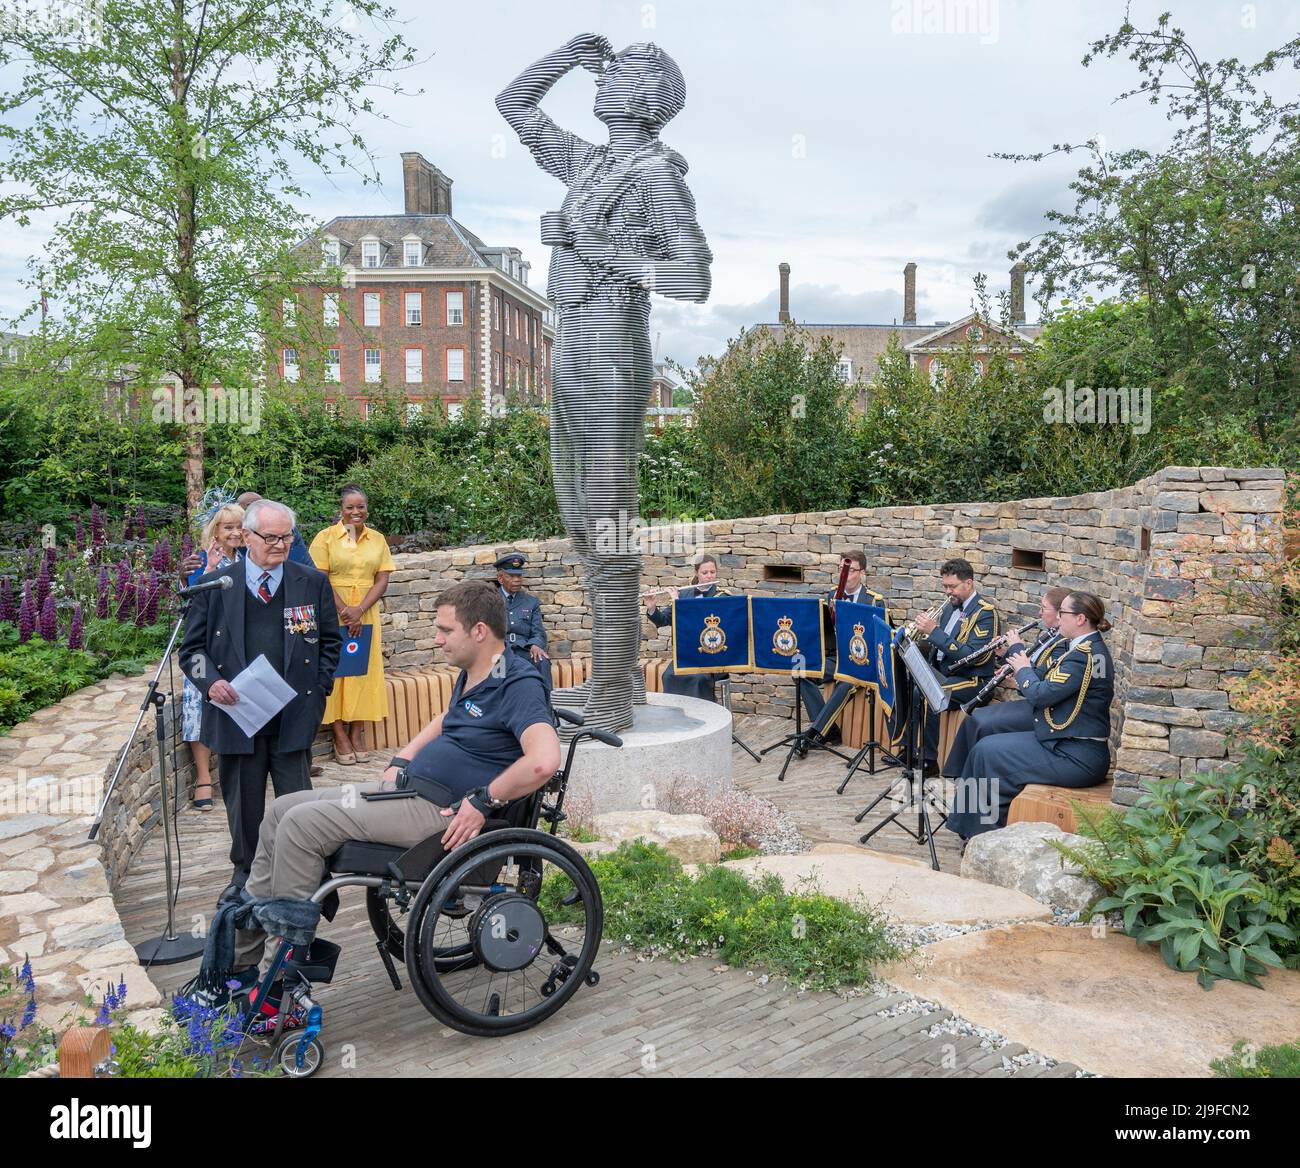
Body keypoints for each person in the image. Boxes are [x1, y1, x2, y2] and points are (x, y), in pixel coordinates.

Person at [498, 34, 712, 733]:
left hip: (614, 353)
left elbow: (693, 277)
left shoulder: (654, 175)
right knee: (583, 528)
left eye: (623, 70)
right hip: (573, 351)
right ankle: (615, 680)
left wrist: (592, 247)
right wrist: (566, 54)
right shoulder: (589, 163)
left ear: (647, 97)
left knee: (610, 530)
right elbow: (514, 103)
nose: (608, 74)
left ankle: (614, 698)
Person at [224, 579, 561, 996]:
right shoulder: (478, 671)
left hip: (437, 812)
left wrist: (483, 800)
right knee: (281, 808)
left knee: (300, 825)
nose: (436, 640)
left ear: (479, 632)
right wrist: (404, 755)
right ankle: (239, 961)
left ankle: (279, 982)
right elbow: (449, 718)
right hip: (409, 790)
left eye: (444, 630)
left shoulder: (519, 683)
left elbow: (544, 759)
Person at [180, 500, 341, 897]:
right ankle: (246, 878)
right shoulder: (218, 584)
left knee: (299, 809)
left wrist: (319, 689)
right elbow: (191, 652)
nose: (281, 545)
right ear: (247, 536)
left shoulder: (311, 582)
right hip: (238, 719)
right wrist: (211, 684)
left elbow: (330, 645)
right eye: (271, 537)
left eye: (287, 536)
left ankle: (302, 878)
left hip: (293, 719)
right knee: (244, 809)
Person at [945, 591, 1114, 841]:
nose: (1058, 617)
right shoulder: (1086, 649)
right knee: (986, 745)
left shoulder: (1084, 656)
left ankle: (982, 835)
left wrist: (1023, 668)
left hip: (1076, 755)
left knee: (988, 752)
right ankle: (971, 825)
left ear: (1080, 619)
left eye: (1063, 613)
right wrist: (1022, 668)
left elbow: (1039, 695)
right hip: (1064, 740)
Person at [942, 586, 1069, 778]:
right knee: (974, 719)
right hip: (1033, 702)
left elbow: (1040, 678)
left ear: (1060, 614)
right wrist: (1005, 655)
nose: (1039, 612)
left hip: (1045, 711)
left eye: (1044, 608)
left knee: (981, 723)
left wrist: (1016, 646)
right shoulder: (1051, 635)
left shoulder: (1063, 643)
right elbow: (1033, 668)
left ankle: (967, 777)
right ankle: (957, 775)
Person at [310, 486, 395, 764]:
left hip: (365, 612)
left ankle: (356, 731)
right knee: (336, 670)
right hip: (332, 611)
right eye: (350, 507)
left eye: (361, 507)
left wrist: (359, 610)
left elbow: (382, 579)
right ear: (341, 509)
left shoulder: (377, 539)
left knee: (361, 671)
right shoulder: (325, 539)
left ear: (367, 508)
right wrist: (346, 610)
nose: (356, 512)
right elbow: (318, 578)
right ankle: (339, 735)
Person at [179, 502, 244, 809]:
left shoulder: (247, 559)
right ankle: (204, 777)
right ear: (215, 530)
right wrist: (205, 573)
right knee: (197, 707)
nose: (234, 533)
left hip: (236, 648)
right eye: (227, 527)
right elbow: (189, 603)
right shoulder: (202, 560)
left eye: (238, 527)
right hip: (206, 647)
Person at [910, 557, 1001, 769]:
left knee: (927, 693)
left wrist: (934, 632)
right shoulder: (951, 607)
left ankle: (927, 760)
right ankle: (908, 747)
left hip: (972, 680)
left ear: (968, 583)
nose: (948, 592)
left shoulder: (985, 613)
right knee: (905, 682)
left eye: (952, 586)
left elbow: (975, 656)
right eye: (945, 586)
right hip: (946, 673)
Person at [797, 551, 889, 746]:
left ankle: (814, 733)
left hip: (861, 662)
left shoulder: (874, 601)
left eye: (850, 570)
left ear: (862, 573)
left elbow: (881, 637)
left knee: (846, 683)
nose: (844, 575)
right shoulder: (833, 594)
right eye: (841, 569)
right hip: (835, 657)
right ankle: (829, 731)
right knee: (801, 671)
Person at [644, 553, 730, 703]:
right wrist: (652, 607)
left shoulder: (722, 597)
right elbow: (663, 620)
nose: (709, 576)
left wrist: (678, 604)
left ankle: (704, 716)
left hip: (711, 655)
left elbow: (698, 622)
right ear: (696, 573)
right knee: (669, 676)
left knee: (698, 679)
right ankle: (678, 716)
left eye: (712, 572)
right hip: (687, 655)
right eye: (705, 573)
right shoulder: (685, 593)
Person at [495, 550, 552, 699]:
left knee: (542, 661)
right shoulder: (490, 599)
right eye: (511, 576)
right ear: (500, 578)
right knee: (497, 667)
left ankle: (546, 707)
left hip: (524, 650)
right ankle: (499, 712)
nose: (517, 580)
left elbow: (538, 632)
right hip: (500, 650)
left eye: (519, 576)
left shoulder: (530, 602)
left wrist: (536, 644)